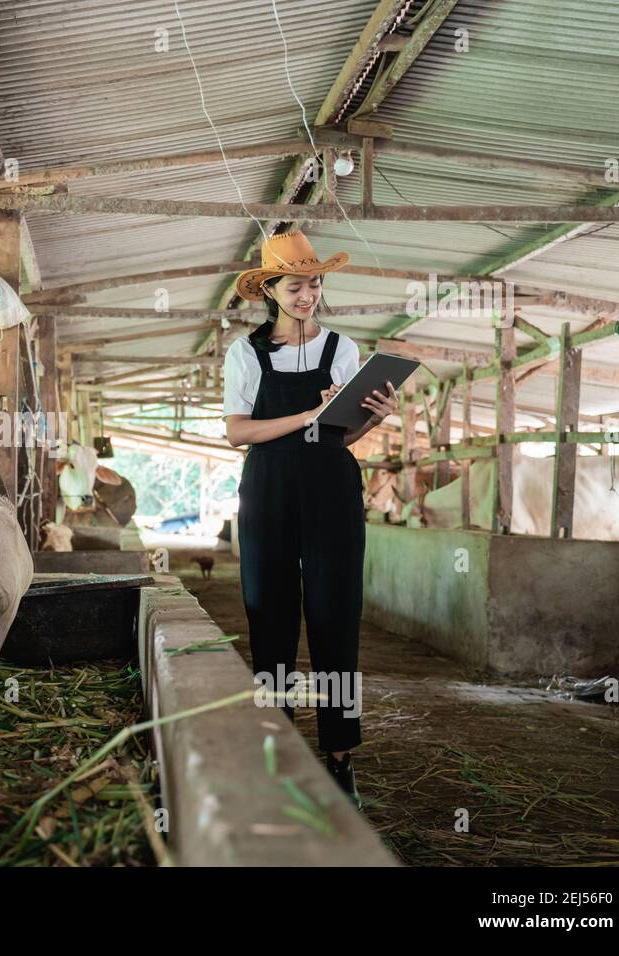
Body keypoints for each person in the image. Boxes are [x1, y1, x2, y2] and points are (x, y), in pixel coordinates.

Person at [221, 230, 399, 809]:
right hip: (269, 487)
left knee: (334, 618)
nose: (309, 295)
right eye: (296, 285)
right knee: (268, 614)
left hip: (330, 485)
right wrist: (308, 413)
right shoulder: (245, 353)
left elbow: (340, 433)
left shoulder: (343, 349)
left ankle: (340, 757)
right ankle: (277, 745)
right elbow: (239, 432)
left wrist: (375, 416)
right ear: (270, 290)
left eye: (316, 283)